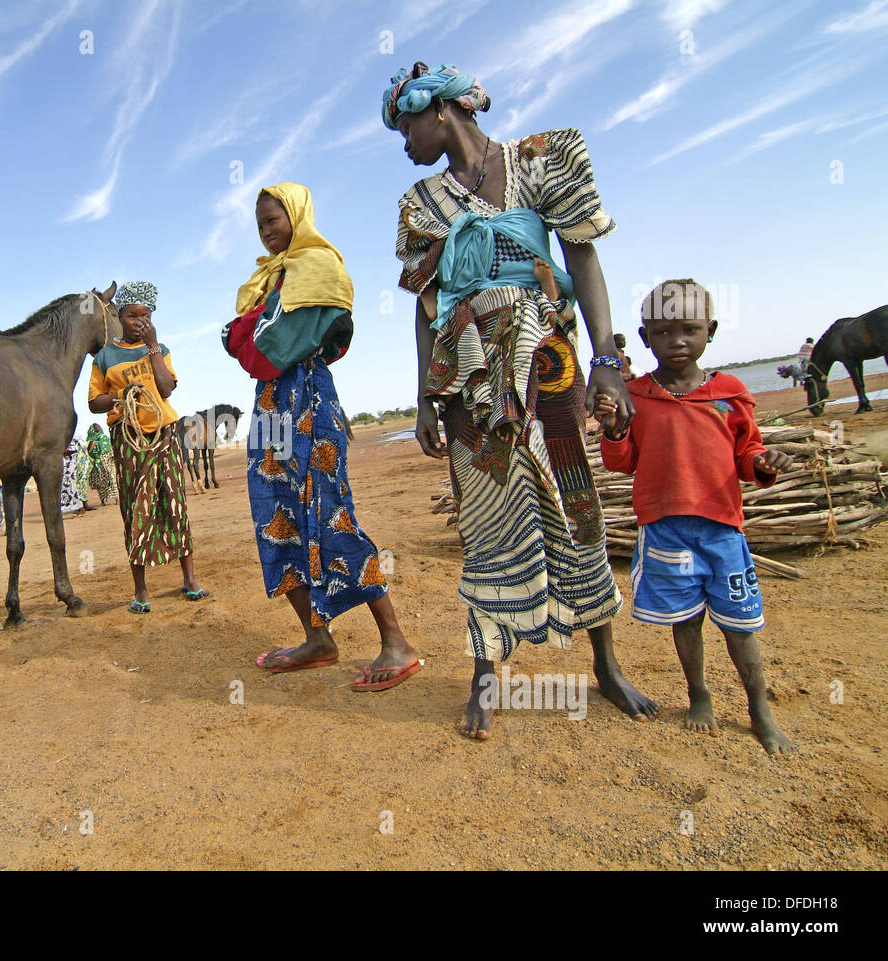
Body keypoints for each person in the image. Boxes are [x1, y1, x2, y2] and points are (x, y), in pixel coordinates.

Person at [383, 61, 657, 736]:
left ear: (440, 110)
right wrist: (423, 396)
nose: (404, 142)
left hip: (550, 357)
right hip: (469, 373)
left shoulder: (542, 160)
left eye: (405, 124)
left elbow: (584, 258)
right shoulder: (421, 204)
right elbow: (425, 306)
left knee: (573, 494)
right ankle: (485, 674)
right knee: (484, 514)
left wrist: (607, 359)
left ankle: (606, 665)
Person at [223, 183, 421, 692]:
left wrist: (243, 334)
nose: (266, 230)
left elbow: (260, 348)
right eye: (260, 224)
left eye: (273, 219)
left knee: (331, 514)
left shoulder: (318, 266)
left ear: (296, 214)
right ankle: (318, 639)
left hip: (307, 400)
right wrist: (246, 335)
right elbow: (250, 344)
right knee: (277, 519)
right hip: (269, 406)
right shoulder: (268, 281)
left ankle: (396, 642)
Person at [596, 279, 796, 756]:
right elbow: (621, 462)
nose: (677, 340)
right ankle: (698, 695)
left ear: (712, 330)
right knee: (685, 620)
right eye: (663, 332)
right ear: (645, 338)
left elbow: (747, 452)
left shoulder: (729, 394)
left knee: (740, 623)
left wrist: (763, 463)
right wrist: (616, 430)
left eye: (689, 329)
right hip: (665, 529)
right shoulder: (635, 396)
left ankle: (759, 709)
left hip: (723, 529)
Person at [88, 281, 208, 612]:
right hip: (129, 441)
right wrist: (119, 396)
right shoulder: (104, 358)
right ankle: (140, 590)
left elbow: (167, 389)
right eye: (132, 316)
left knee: (175, 503)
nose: (139, 322)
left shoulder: (161, 349)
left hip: (165, 435)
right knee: (134, 509)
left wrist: (153, 346)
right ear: (119, 316)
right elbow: (94, 404)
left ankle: (190, 580)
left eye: (146, 316)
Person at [59, 437, 92, 515]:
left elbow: (72, 451)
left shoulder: (71, 439)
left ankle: (79, 508)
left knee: (72, 486)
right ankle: (76, 508)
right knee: (66, 487)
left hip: (69, 465)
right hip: (65, 465)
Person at [86, 423, 117, 505]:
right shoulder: (90, 440)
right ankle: (103, 500)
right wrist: (93, 444)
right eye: (96, 427)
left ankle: (116, 498)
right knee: (100, 482)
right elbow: (89, 452)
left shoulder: (104, 437)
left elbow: (110, 448)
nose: (98, 427)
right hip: (98, 463)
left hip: (108, 461)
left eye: (99, 426)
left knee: (112, 478)